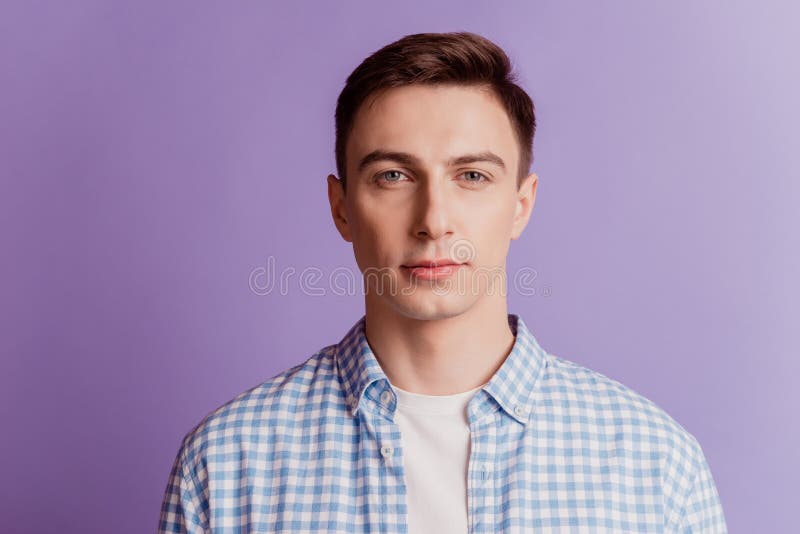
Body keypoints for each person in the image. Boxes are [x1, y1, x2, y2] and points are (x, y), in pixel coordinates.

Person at [159, 31, 727, 533]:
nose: (433, 219)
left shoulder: (655, 466)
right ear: (341, 208)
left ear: (521, 206)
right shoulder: (227, 463)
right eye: (393, 176)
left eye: (472, 175)